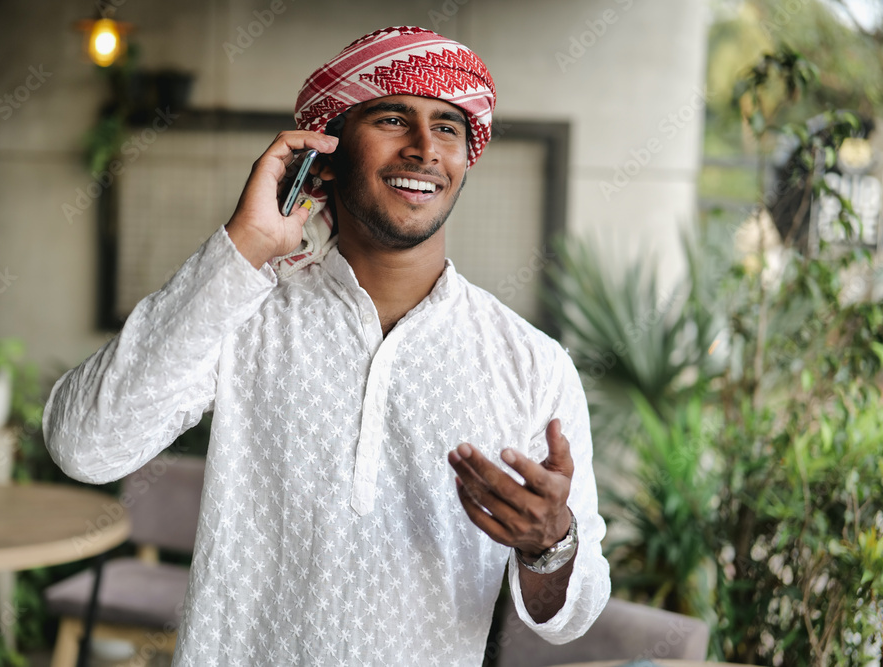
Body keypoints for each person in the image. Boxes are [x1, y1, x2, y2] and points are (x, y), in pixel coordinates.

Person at [44, 25, 609, 666]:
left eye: (449, 127)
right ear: (328, 151)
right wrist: (246, 246)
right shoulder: (244, 308)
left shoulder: (531, 363)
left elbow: (572, 615)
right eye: (395, 118)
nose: (425, 148)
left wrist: (549, 545)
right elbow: (83, 447)